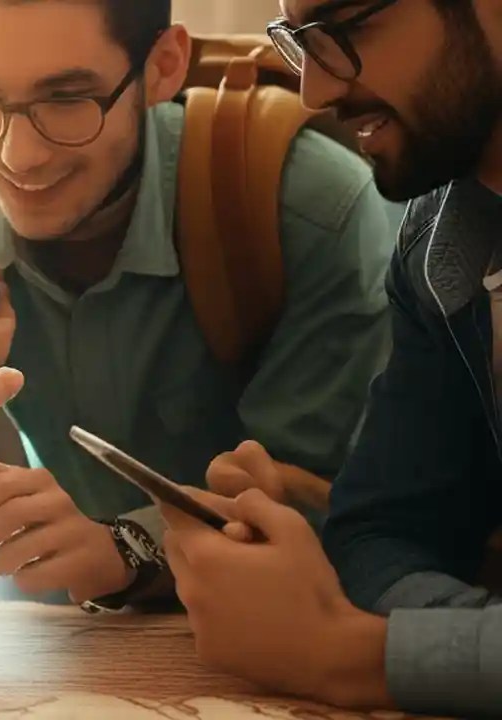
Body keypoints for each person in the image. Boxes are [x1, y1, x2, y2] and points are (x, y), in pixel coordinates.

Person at [0, 0, 394, 610]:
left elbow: (324, 499)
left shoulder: (308, 205)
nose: (19, 157)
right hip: (31, 621)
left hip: (273, 618)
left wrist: (129, 547)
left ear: (164, 66)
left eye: (67, 100)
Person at [163, 0, 502, 716]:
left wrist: (350, 656)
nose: (314, 90)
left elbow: (354, 633)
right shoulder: (438, 244)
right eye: (299, 43)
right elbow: (382, 532)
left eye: (347, 29)